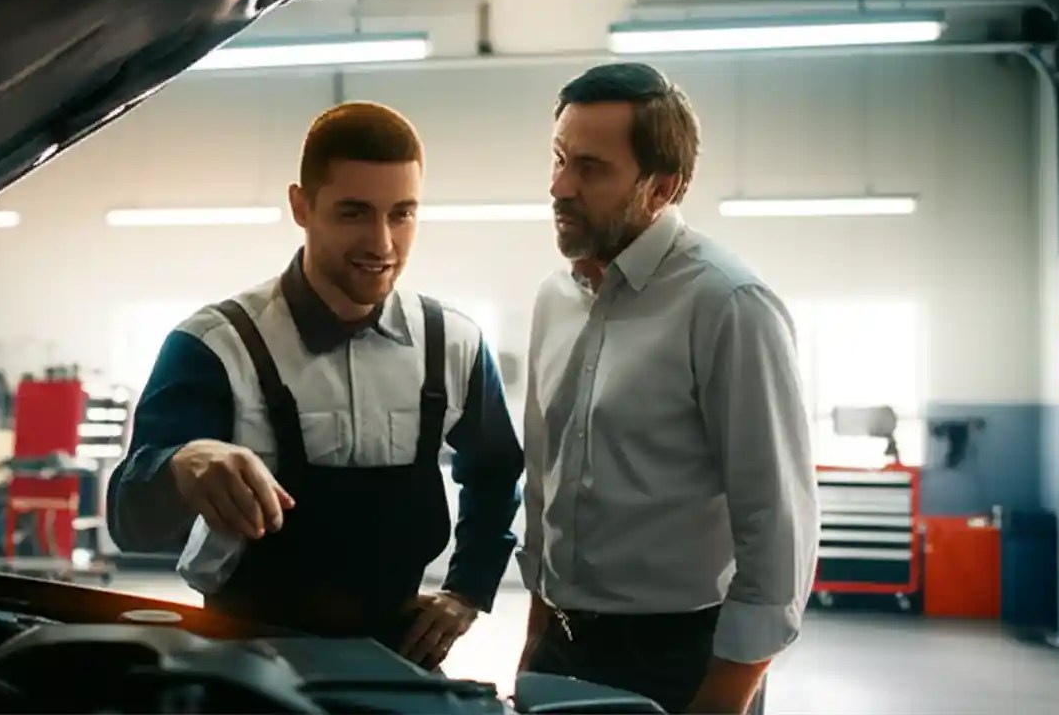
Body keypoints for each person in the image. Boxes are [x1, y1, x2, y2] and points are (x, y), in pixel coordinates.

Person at [106, 101, 524, 671]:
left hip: (397, 661)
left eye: (402, 214)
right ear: (301, 206)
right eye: (354, 213)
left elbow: (496, 472)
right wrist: (180, 465)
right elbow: (128, 517)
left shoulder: (452, 344)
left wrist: (468, 589)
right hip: (244, 661)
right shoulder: (216, 346)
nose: (382, 243)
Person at [516, 62, 819, 714]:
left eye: (590, 169)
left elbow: (777, 529)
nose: (559, 187)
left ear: (662, 187)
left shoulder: (729, 305)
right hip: (563, 646)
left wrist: (725, 697)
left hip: (684, 660)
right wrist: (535, 643)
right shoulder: (554, 300)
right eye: (560, 159)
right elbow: (543, 484)